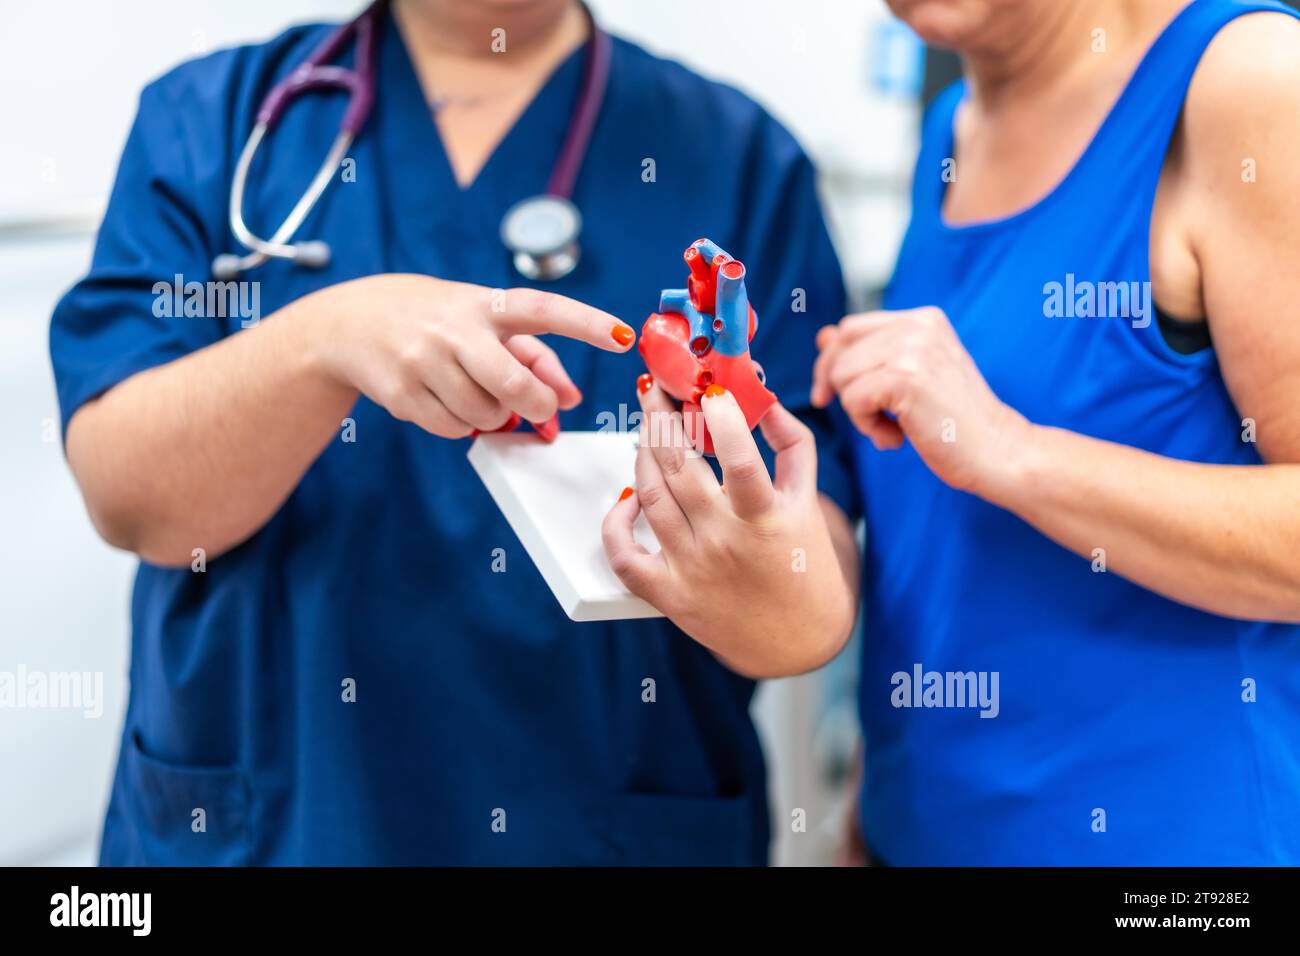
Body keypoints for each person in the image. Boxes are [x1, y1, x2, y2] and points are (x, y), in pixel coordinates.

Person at [50, 0, 853, 865]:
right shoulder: (212, 120)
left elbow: (815, 578)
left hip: (593, 826)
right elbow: (128, 498)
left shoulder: (738, 160)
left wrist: (782, 595)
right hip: (288, 820)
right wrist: (321, 339)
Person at [605, 0, 1300, 864]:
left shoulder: (1247, 82)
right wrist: (878, 799)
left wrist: (1015, 451)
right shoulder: (952, 123)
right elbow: (947, 553)